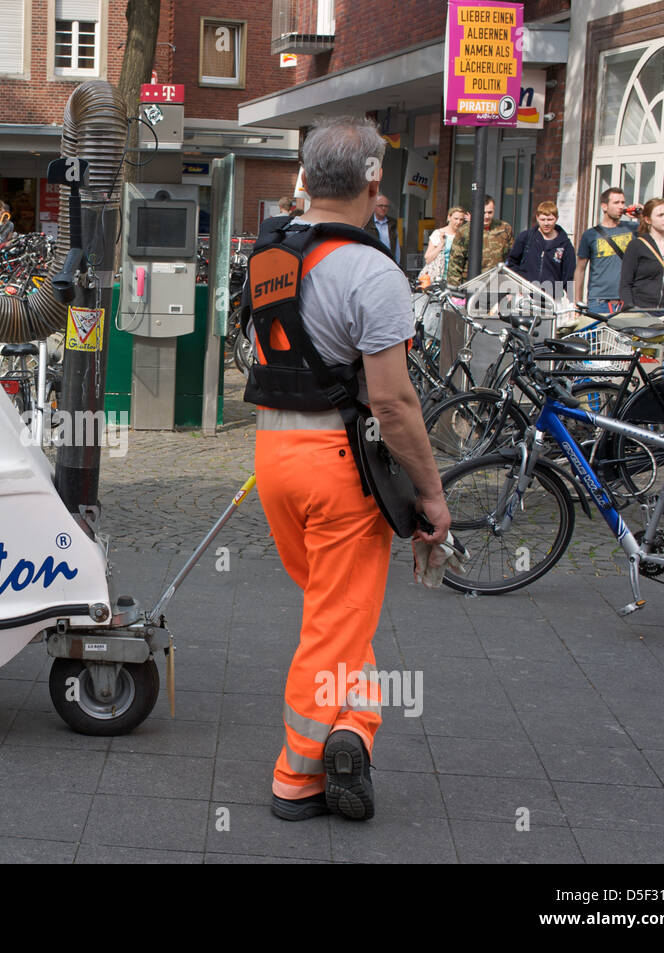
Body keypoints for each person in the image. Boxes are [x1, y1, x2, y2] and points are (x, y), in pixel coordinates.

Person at [248, 116, 450, 823]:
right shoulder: (373, 271)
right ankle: (295, 777)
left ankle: (351, 729)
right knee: (334, 623)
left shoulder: (267, 257)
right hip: (340, 468)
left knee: (335, 612)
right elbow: (393, 404)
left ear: (306, 179)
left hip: (273, 458)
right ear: (373, 181)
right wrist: (431, 492)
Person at [620, 197, 664, 313]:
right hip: (641, 312)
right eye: (660, 215)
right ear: (648, 220)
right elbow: (625, 283)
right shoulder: (637, 245)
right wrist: (630, 308)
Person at [575, 187, 638, 313]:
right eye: (616, 203)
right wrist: (577, 302)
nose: (621, 206)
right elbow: (580, 269)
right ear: (604, 206)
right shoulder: (590, 235)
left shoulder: (633, 228)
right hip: (599, 300)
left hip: (628, 299)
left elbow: (655, 231)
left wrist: (641, 215)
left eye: (622, 202)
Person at [506, 200, 576, 296]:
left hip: (551, 298)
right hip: (526, 295)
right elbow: (512, 264)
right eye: (543, 220)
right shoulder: (526, 238)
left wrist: (571, 300)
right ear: (537, 218)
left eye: (550, 219)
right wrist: (517, 286)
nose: (546, 223)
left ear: (556, 219)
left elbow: (569, 276)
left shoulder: (565, 244)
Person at [445, 195, 513, 286]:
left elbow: (512, 258)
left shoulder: (504, 228)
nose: (487, 216)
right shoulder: (465, 231)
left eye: (490, 212)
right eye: (483, 212)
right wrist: (454, 290)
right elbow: (455, 262)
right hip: (472, 284)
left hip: (497, 284)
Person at [419, 206, 468, 286]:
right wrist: (441, 245)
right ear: (449, 217)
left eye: (461, 219)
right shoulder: (438, 233)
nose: (458, 222)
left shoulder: (463, 236)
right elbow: (427, 258)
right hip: (438, 279)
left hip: (456, 279)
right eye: (456, 219)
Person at [362, 193, 401, 264]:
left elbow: (397, 246)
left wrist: (397, 263)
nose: (383, 208)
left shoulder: (393, 223)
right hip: (371, 261)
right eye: (381, 206)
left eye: (386, 206)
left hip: (389, 261)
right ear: (374, 207)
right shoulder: (366, 222)